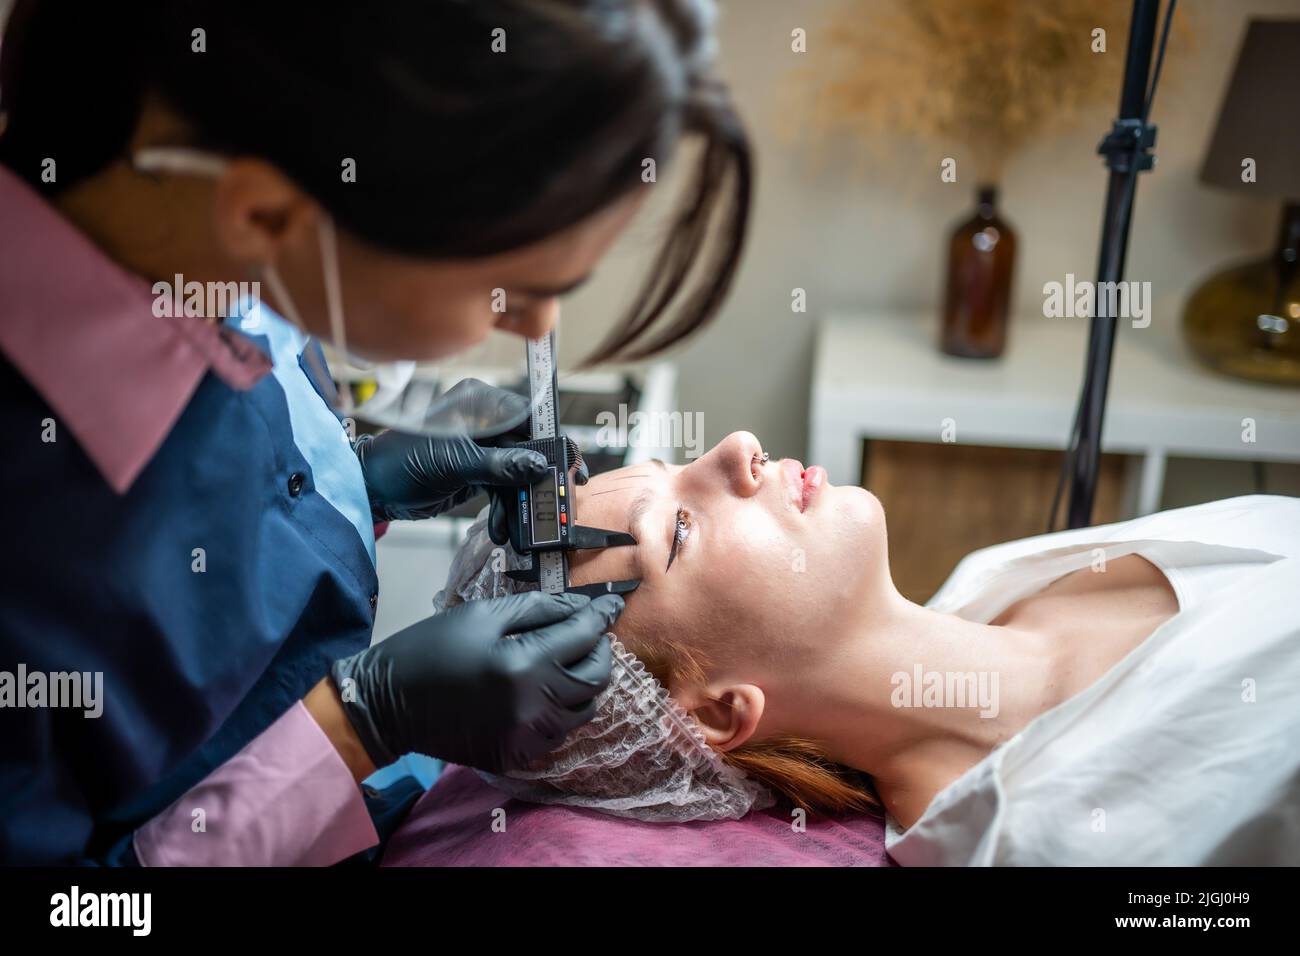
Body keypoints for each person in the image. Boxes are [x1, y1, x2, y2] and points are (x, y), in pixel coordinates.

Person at [0, 0, 751, 865]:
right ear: (267, 217)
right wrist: (357, 724)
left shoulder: (214, 242)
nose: (536, 322)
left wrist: (356, 482)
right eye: (511, 282)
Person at [453, 431, 1300, 864]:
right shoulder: (1054, 840)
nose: (738, 451)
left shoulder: (995, 577)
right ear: (716, 712)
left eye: (677, 462)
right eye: (679, 528)